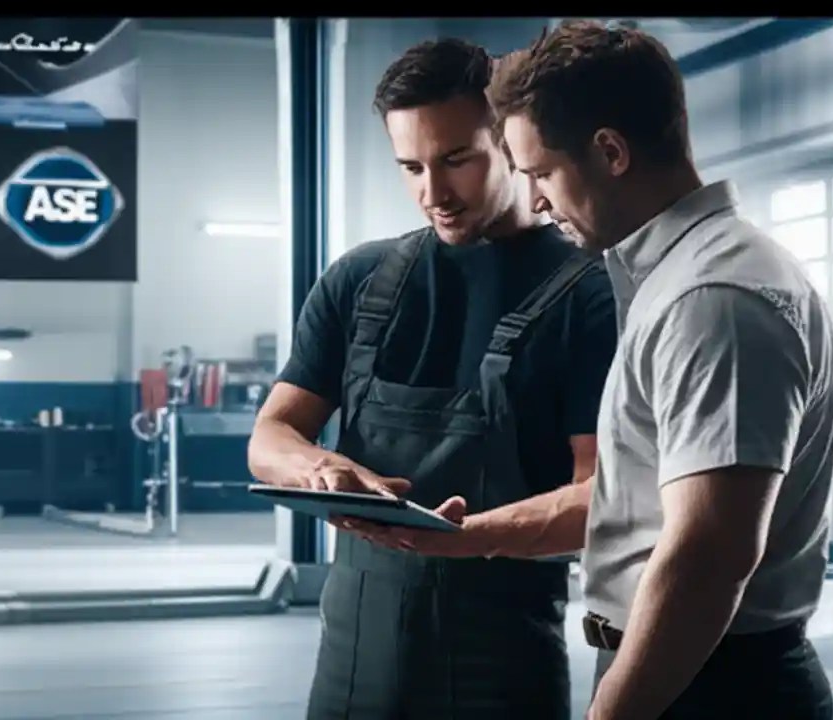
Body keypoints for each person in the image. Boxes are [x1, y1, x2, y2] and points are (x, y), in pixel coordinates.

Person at [247, 37, 618, 719]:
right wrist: (318, 467)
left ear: (509, 142)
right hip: (350, 659)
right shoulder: (358, 281)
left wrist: (472, 535)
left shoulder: (589, 296)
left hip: (500, 664)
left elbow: (602, 495)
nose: (433, 193)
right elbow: (271, 435)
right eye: (410, 167)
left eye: (456, 160)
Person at [479, 19, 833, 719]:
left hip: (710, 687)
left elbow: (708, 553)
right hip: (681, 671)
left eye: (542, 174)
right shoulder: (679, 279)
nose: (537, 203)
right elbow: (640, 500)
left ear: (610, 151)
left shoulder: (714, 298)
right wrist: (471, 536)